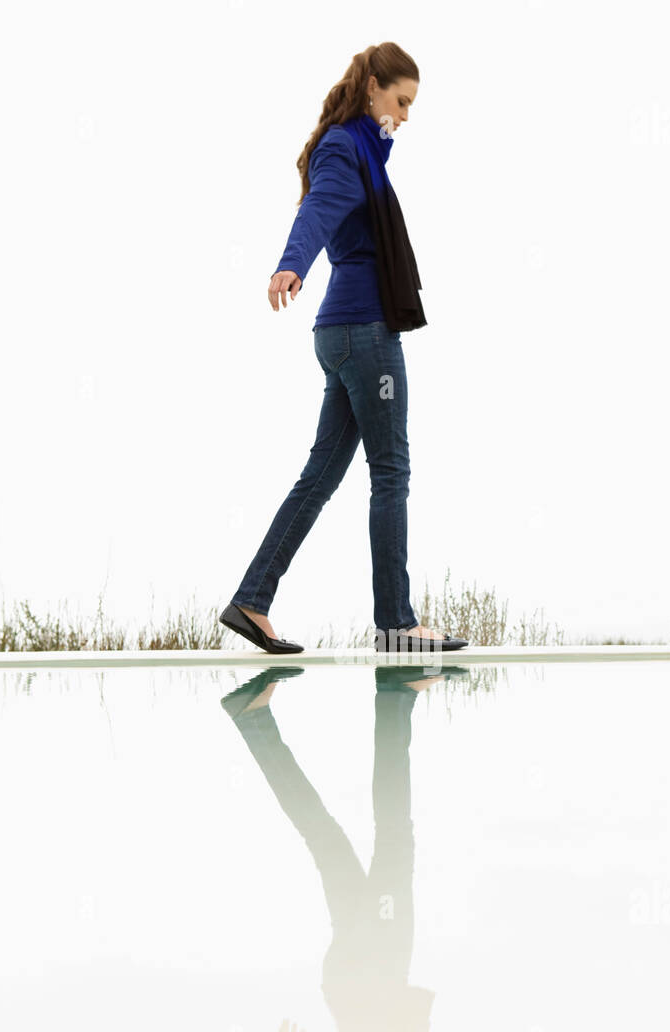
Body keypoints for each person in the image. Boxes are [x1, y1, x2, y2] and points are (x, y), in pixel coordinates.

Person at [220, 42, 468, 656]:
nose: (406, 116)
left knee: (320, 476)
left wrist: (381, 129)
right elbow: (318, 211)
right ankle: (397, 625)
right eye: (401, 101)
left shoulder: (363, 146)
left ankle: (252, 601)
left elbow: (366, 160)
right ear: (373, 87)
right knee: (391, 471)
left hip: (346, 335)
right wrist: (290, 265)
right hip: (364, 333)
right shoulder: (342, 148)